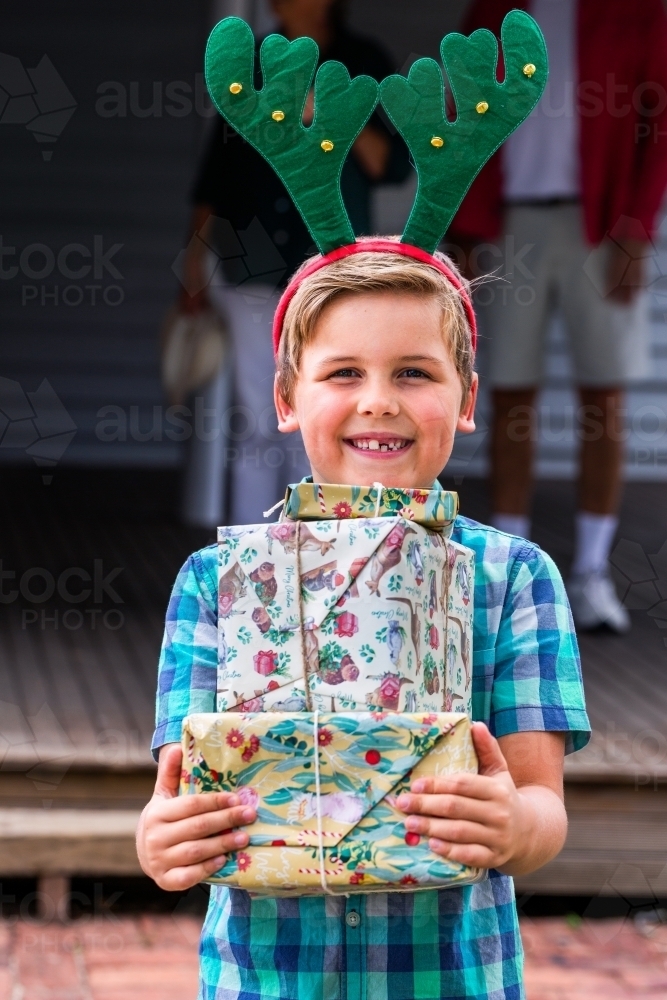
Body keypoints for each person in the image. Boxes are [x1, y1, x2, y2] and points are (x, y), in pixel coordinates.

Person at [138, 242, 589, 1000]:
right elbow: (173, 796)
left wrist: (513, 826)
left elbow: (544, 807)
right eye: (344, 372)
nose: (378, 399)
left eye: (413, 373)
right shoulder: (216, 583)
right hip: (267, 979)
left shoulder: (514, 579)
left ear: (467, 399)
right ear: (287, 398)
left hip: (447, 977)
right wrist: (160, 843)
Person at [450, 0, 667, 633]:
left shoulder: (637, 9)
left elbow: (659, 119)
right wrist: (464, 225)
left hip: (600, 224)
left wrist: (636, 228)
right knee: (510, 394)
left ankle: (592, 573)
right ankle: (508, 575)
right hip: (510, 219)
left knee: (605, 397)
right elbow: (463, 109)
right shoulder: (493, 8)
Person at [179, 0, 410, 527]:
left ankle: (317, 550)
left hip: (332, 265)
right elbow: (214, 175)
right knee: (259, 417)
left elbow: (392, 165)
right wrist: (191, 265)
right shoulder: (251, 62)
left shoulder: (363, 58)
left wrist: (325, 113)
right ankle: (253, 551)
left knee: (325, 413)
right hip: (251, 260)